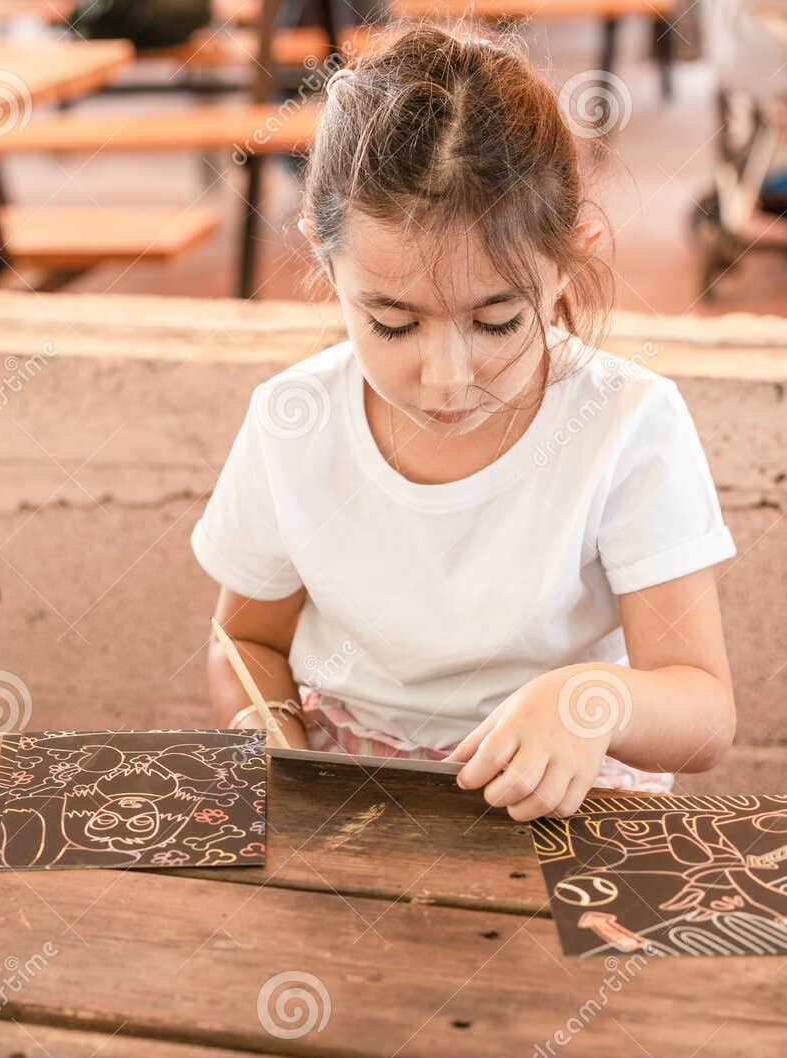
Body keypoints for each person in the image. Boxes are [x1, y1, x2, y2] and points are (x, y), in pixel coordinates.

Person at [193, 28, 737, 822]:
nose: (447, 378)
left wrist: (592, 700)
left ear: (568, 260)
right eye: (392, 323)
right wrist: (272, 741)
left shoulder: (628, 425)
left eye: (496, 321)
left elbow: (704, 713)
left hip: (561, 801)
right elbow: (247, 643)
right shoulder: (293, 420)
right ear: (324, 256)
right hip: (349, 792)